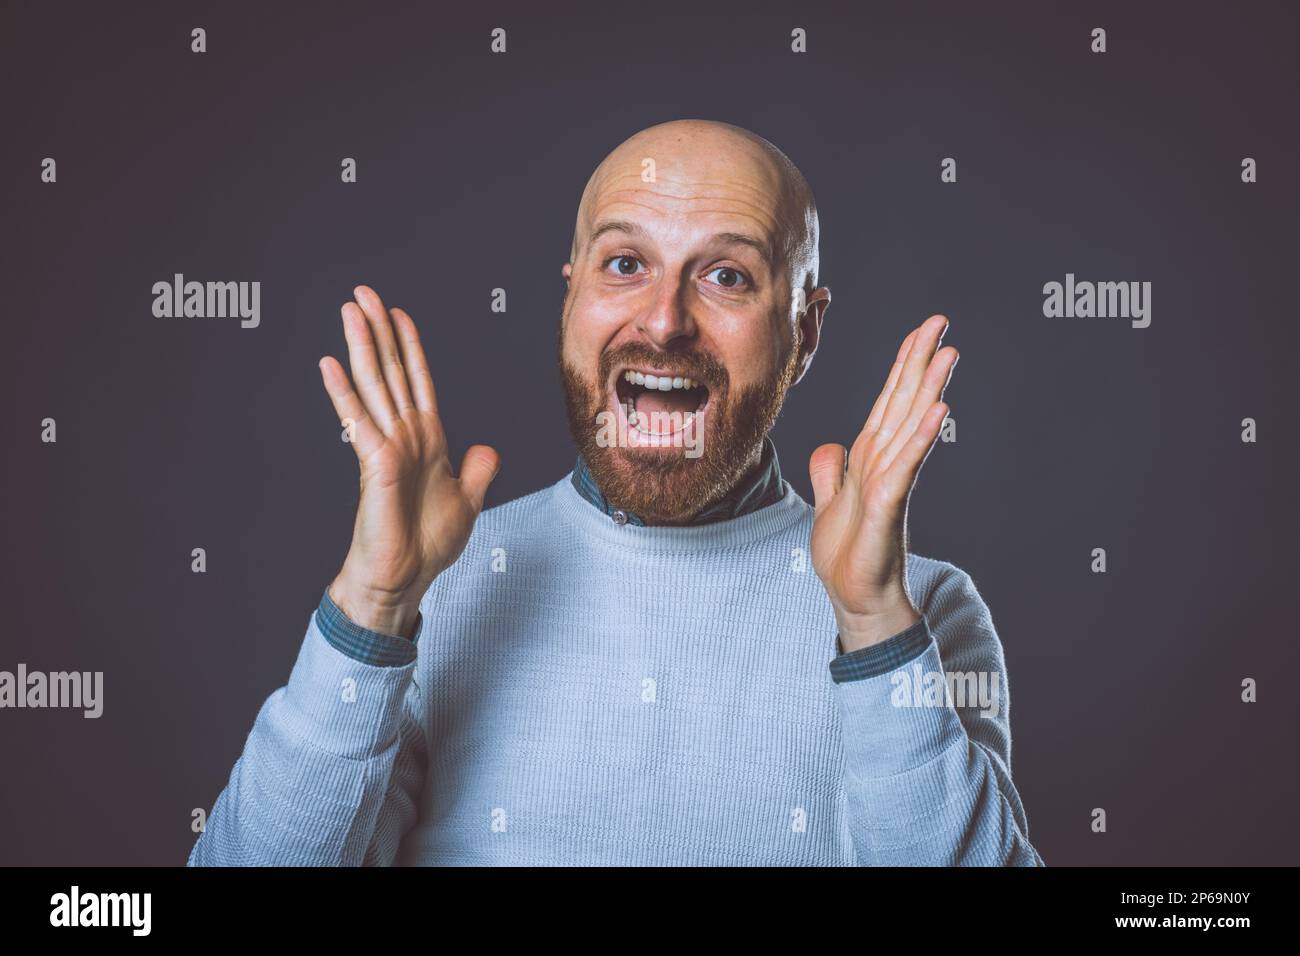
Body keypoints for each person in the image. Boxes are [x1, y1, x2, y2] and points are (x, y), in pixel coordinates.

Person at [188, 118, 1043, 866]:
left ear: (805, 330)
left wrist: (872, 627)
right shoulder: (430, 595)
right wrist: (373, 609)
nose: (665, 319)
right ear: (571, 301)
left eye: (729, 277)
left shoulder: (920, 610)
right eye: (626, 263)